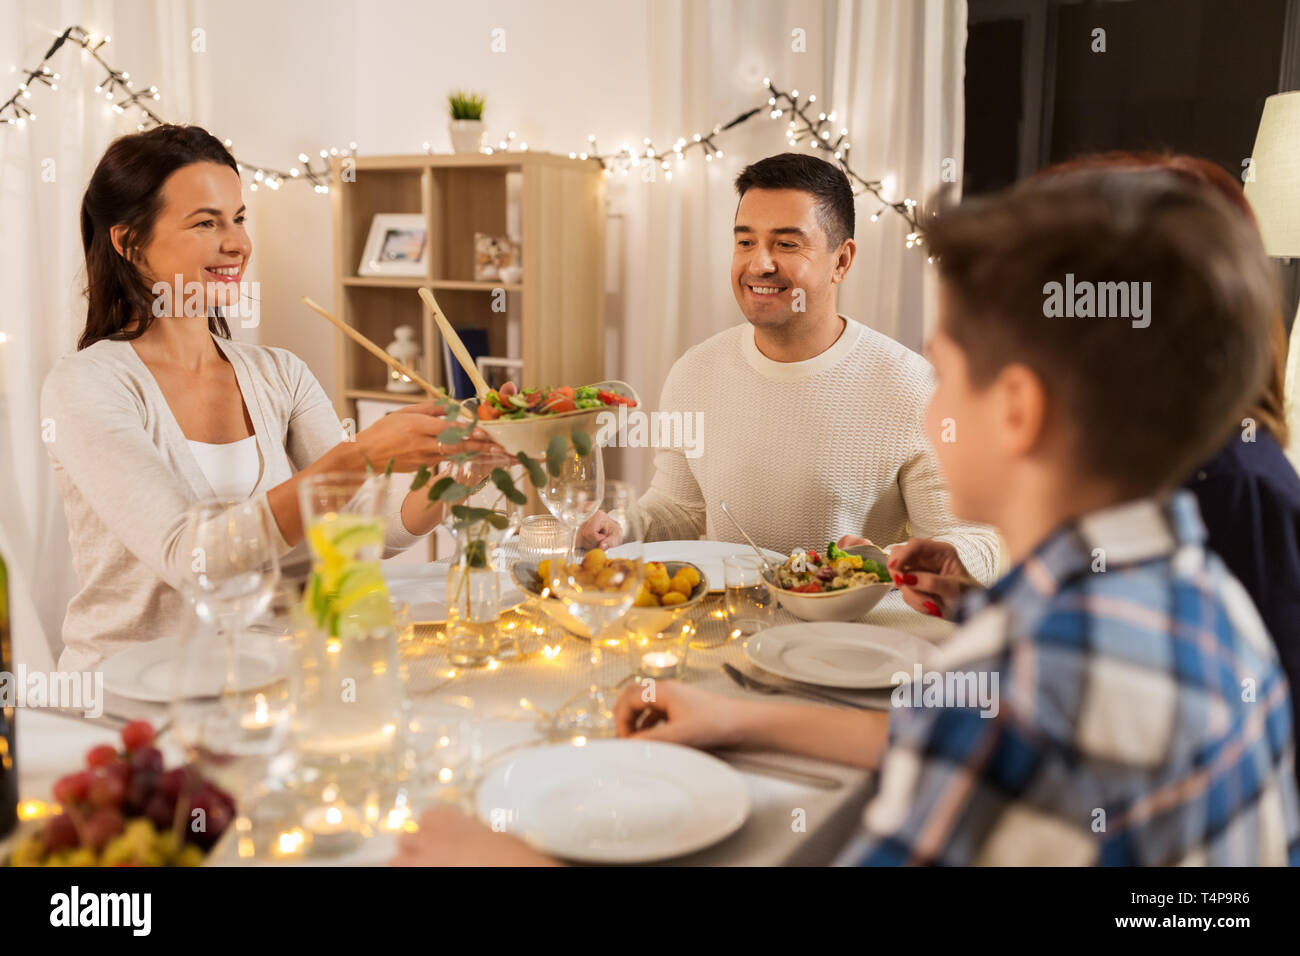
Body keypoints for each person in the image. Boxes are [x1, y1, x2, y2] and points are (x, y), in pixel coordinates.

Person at [392, 170, 1298, 866]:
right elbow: (967, 727)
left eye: (951, 374)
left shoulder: (1044, 666)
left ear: (1016, 409)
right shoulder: (1173, 582)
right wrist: (740, 719)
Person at [872, 151, 1300, 791]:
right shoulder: (1185, 557)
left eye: (946, 375)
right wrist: (988, 607)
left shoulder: (1236, 487)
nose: (934, 413)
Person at [42, 125, 500, 671]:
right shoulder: (85, 386)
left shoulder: (278, 373)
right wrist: (362, 457)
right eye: (206, 222)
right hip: (133, 695)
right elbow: (194, 558)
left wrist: (460, 467)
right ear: (128, 242)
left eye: (238, 219)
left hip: (264, 677)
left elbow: (363, 528)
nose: (236, 243)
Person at [578, 153, 1000, 585]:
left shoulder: (915, 387)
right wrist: (621, 528)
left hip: (853, 640)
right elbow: (679, 510)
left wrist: (879, 563)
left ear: (842, 261)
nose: (759, 264)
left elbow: (974, 540)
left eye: (786, 244)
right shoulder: (694, 372)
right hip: (727, 632)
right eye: (745, 242)